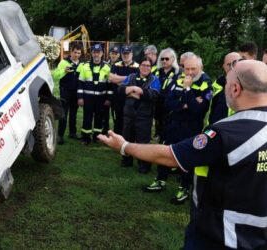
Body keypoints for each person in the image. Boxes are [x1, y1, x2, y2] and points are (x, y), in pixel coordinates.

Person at [98, 60, 267, 249]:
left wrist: (124, 146)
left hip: (220, 237)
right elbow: (169, 101)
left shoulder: (226, 133)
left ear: (235, 88)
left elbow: (170, 155)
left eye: (227, 83)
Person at [144, 54, 213, 205]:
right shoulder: (179, 77)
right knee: (165, 150)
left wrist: (187, 90)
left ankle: (184, 187)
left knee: (186, 157)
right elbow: (168, 102)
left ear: (201, 68)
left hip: (191, 127)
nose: (188, 72)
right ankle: (160, 180)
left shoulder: (205, 83)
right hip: (173, 123)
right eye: (186, 68)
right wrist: (185, 104)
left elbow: (198, 109)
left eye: (193, 69)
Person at [119, 57, 160, 173]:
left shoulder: (154, 79)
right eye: (143, 65)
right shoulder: (131, 76)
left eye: (148, 65)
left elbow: (154, 95)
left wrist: (137, 92)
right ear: (139, 66)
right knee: (127, 138)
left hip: (144, 116)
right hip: (129, 114)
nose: (145, 67)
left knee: (143, 142)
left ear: (151, 68)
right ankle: (126, 161)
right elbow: (120, 90)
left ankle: (144, 165)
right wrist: (132, 88)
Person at [78, 44, 112, 145]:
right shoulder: (85, 66)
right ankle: (85, 138)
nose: (96, 54)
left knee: (99, 118)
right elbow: (80, 83)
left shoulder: (107, 67)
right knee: (87, 117)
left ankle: (97, 137)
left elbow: (109, 86)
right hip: (87, 98)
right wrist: (80, 98)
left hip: (101, 98)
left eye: (98, 52)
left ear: (102, 54)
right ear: (92, 53)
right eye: (94, 52)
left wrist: (109, 99)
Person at [53, 43, 83, 144]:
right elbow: (55, 76)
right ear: (71, 51)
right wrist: (64, 71)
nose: (77, 55)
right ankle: (60, 135)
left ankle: (72, 133)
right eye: (75, 52)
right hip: (65, 92)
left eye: (79, 53)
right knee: (64, 114)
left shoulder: (82, 64)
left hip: (76, 93)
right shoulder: (64, 62)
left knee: (73, 114)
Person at [109, 45, 139, 135]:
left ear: (132, 54)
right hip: (118, 98)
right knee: (118, 119)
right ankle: (117, 138)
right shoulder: (116, 65)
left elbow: (135, 83)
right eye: (124, 54)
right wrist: (128, 78)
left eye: (127, 53)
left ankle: (128, 140)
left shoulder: (137, 66)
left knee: (130, 119)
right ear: (121, 54)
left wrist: (118, 79)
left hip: (130, 98)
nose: (126, 55)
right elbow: (111, 78)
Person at [153, 48, 180, 141]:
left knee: (167, 124)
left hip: (169, 103)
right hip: (156, 102)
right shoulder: (156, 71)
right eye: (162, 58)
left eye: (167, 59)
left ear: (173, 59)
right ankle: (159, 135)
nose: (164, 61)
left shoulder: (178, 73)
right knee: (158, 121)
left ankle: (165, 140)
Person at [208, 52, 242, 124]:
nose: (231, 67)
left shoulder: (247, 86)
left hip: (231, 130)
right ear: (223, 66)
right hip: (213, 128)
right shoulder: (218, 83)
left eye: (234, 64)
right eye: (228, 64)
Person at [102, 46, 120, 134]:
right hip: (106, 92)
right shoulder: (105, 64)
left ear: (119, 55)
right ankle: (105, 131)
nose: (113, 55)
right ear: (109, 54)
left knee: (116, 114)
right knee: (105, 114)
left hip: (116, 93)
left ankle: (116, 133)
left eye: (116, 54)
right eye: (112, 53)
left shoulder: (120, 65)